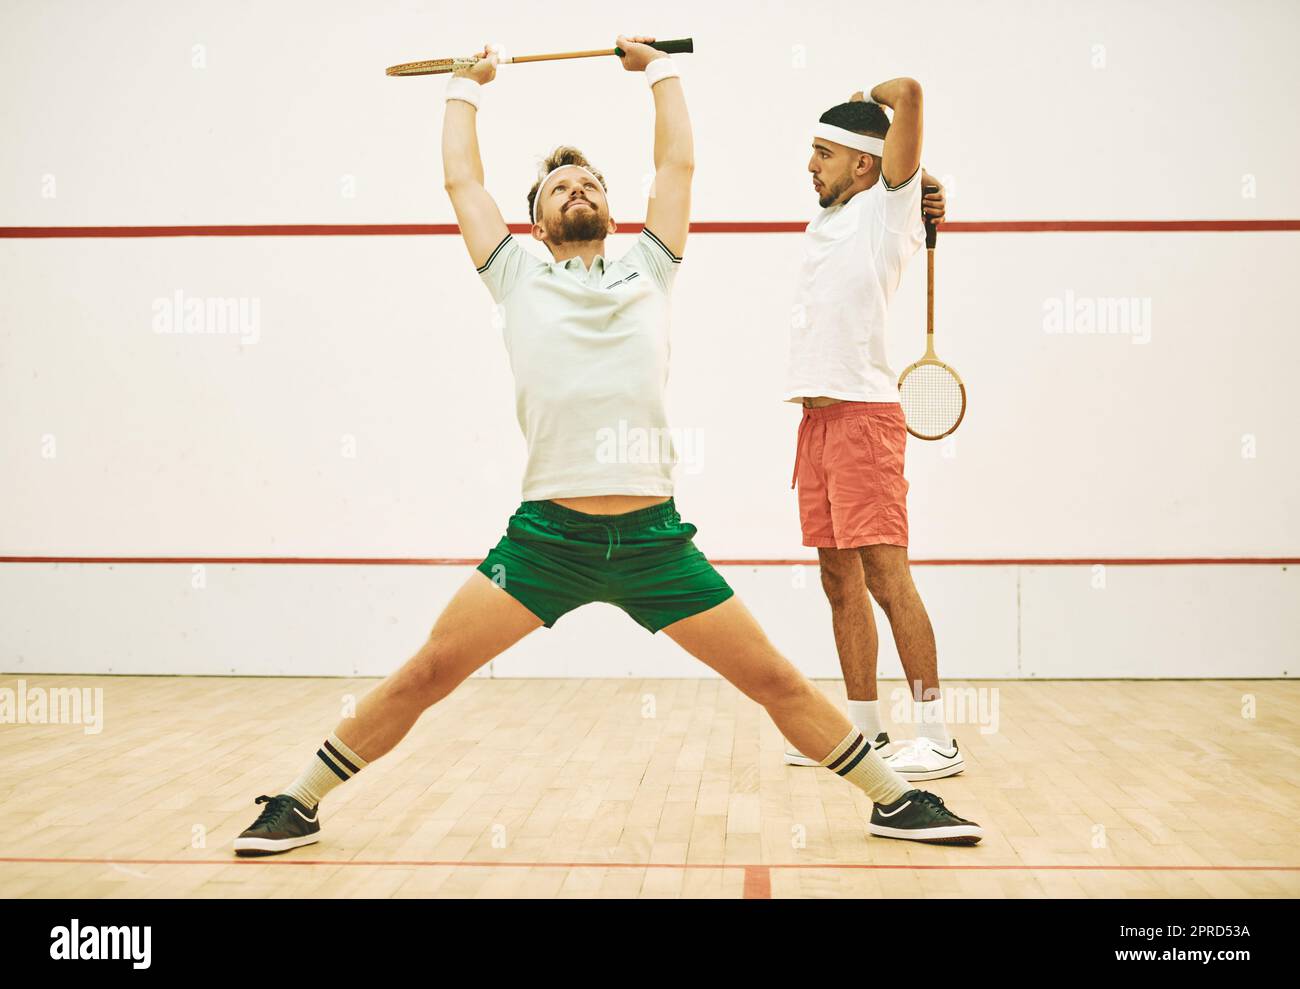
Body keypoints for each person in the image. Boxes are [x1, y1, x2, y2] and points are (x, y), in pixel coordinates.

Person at [233, 41, 981, 857]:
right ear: (537, 221)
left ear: (613, 210)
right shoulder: (514, 274)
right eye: (560, 186)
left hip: (655, 542)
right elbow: (463, 183)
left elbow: (677, 165)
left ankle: (894, 798)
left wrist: (660, 72)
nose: (577, 187)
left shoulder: (649, 268)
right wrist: (463, 89)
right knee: (427, 673)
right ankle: (298, 801)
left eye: (589, 181)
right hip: (547, 540)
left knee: (773, 679)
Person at [782, 80, 965, 782]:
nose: (810, 166)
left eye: (823, 154)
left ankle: (938, 735)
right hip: (817, 422)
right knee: (838, 581)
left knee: (888, 578)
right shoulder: (826, 221)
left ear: (865, 164)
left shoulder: (884, 213)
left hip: (864, 422)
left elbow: (914, 96)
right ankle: (866, 735)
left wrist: (870, 96)